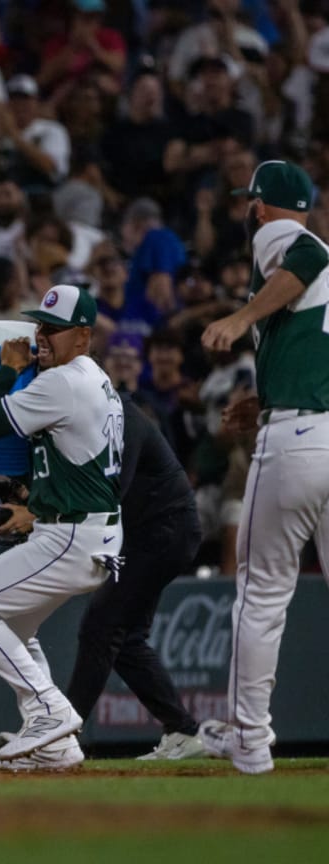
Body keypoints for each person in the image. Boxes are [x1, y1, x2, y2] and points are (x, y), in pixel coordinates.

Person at [0, 285, 124, 772]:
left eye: (54, 329)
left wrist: (6, 370)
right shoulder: (93, 379)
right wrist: (26, 497)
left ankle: (50, 709)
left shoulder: (62, 381)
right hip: (87, 530)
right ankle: (56, 746)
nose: (41, 335)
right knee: (15, 627)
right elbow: (71, 464)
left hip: (72, 537)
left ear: (83, 337)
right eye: (40, 325)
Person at [199, 159, 329, 774]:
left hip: (297, 444)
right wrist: (268, 396)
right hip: (317, 424)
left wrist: (241, 317)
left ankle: (249, 739)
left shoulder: (280, 235)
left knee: (261, 594)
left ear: (260, 204)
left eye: (250, 202)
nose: (248, 211)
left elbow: (307, 255)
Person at [59, 395, 209, 760]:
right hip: (151, 531)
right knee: (124, 639)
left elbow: (109, 494)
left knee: (100, 626)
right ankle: (182, 729)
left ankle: (60, 736)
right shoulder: (100, 414)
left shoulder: (122, 418)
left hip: (164, 529)